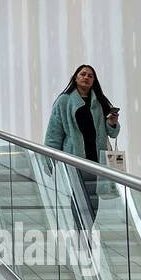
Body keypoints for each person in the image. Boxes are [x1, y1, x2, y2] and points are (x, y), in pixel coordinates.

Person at [44, 64, 120, 225]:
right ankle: (81, 231)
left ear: (94, 81)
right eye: (83, 74)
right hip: (75, 159)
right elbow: (54, 133)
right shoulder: (64, 101)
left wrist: (112, 122)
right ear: (76, 78)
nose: (86, 77)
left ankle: (88, 230)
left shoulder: (99, 102)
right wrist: (49, 160)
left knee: (93, 197)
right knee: (79, 196)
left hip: (96, 160)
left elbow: (112, 133)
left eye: (90, 76)